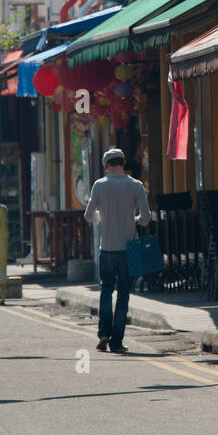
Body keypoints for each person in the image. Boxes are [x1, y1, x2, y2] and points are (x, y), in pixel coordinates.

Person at [83, 148, 151, 354]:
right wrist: (134, 219)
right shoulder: (136, 185)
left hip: (107, 246)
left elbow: (88, 215)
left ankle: (103, 332)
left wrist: (102, 218)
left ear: (106, 165)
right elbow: (146, 217)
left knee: (105, 290)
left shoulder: (99, 185)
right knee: (123, 294)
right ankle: (117, 341)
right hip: (129, 247)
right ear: (123, 163)